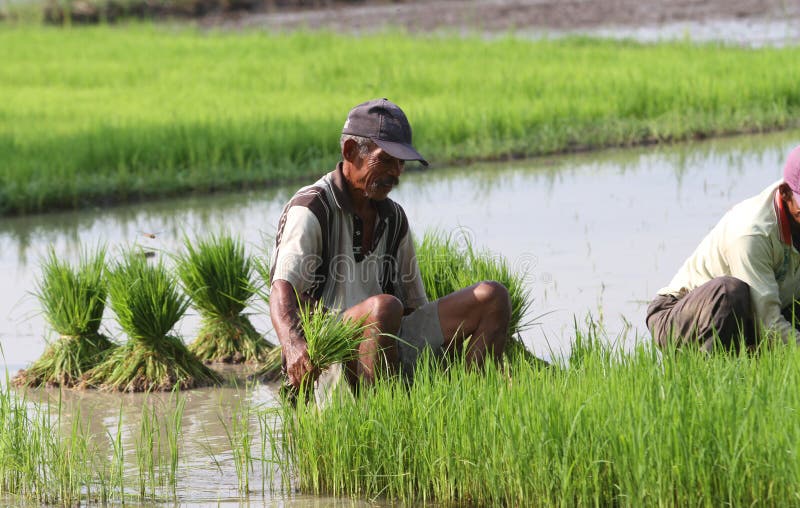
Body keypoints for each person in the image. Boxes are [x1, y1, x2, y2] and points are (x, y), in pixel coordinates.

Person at [269, 98, 511, 391]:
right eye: (386, 159)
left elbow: (413, 308)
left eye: (401, 162)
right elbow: (282, 289)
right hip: (329, 360)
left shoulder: (393, 218)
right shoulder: (313, 209)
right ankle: (382, 414)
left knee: (492, 296)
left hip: (383, 343)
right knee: (383, 308)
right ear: (350, 151)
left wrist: (440, 355)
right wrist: (295, 346)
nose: (396, 172)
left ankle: (471, 399)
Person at [647, 145, 800, 351]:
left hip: (752, 310)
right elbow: (768, 323)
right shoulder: (752, 233)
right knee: (728, 292)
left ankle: (752, 360)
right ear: (785, 194)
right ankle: (706, 374)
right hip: (681, 315)